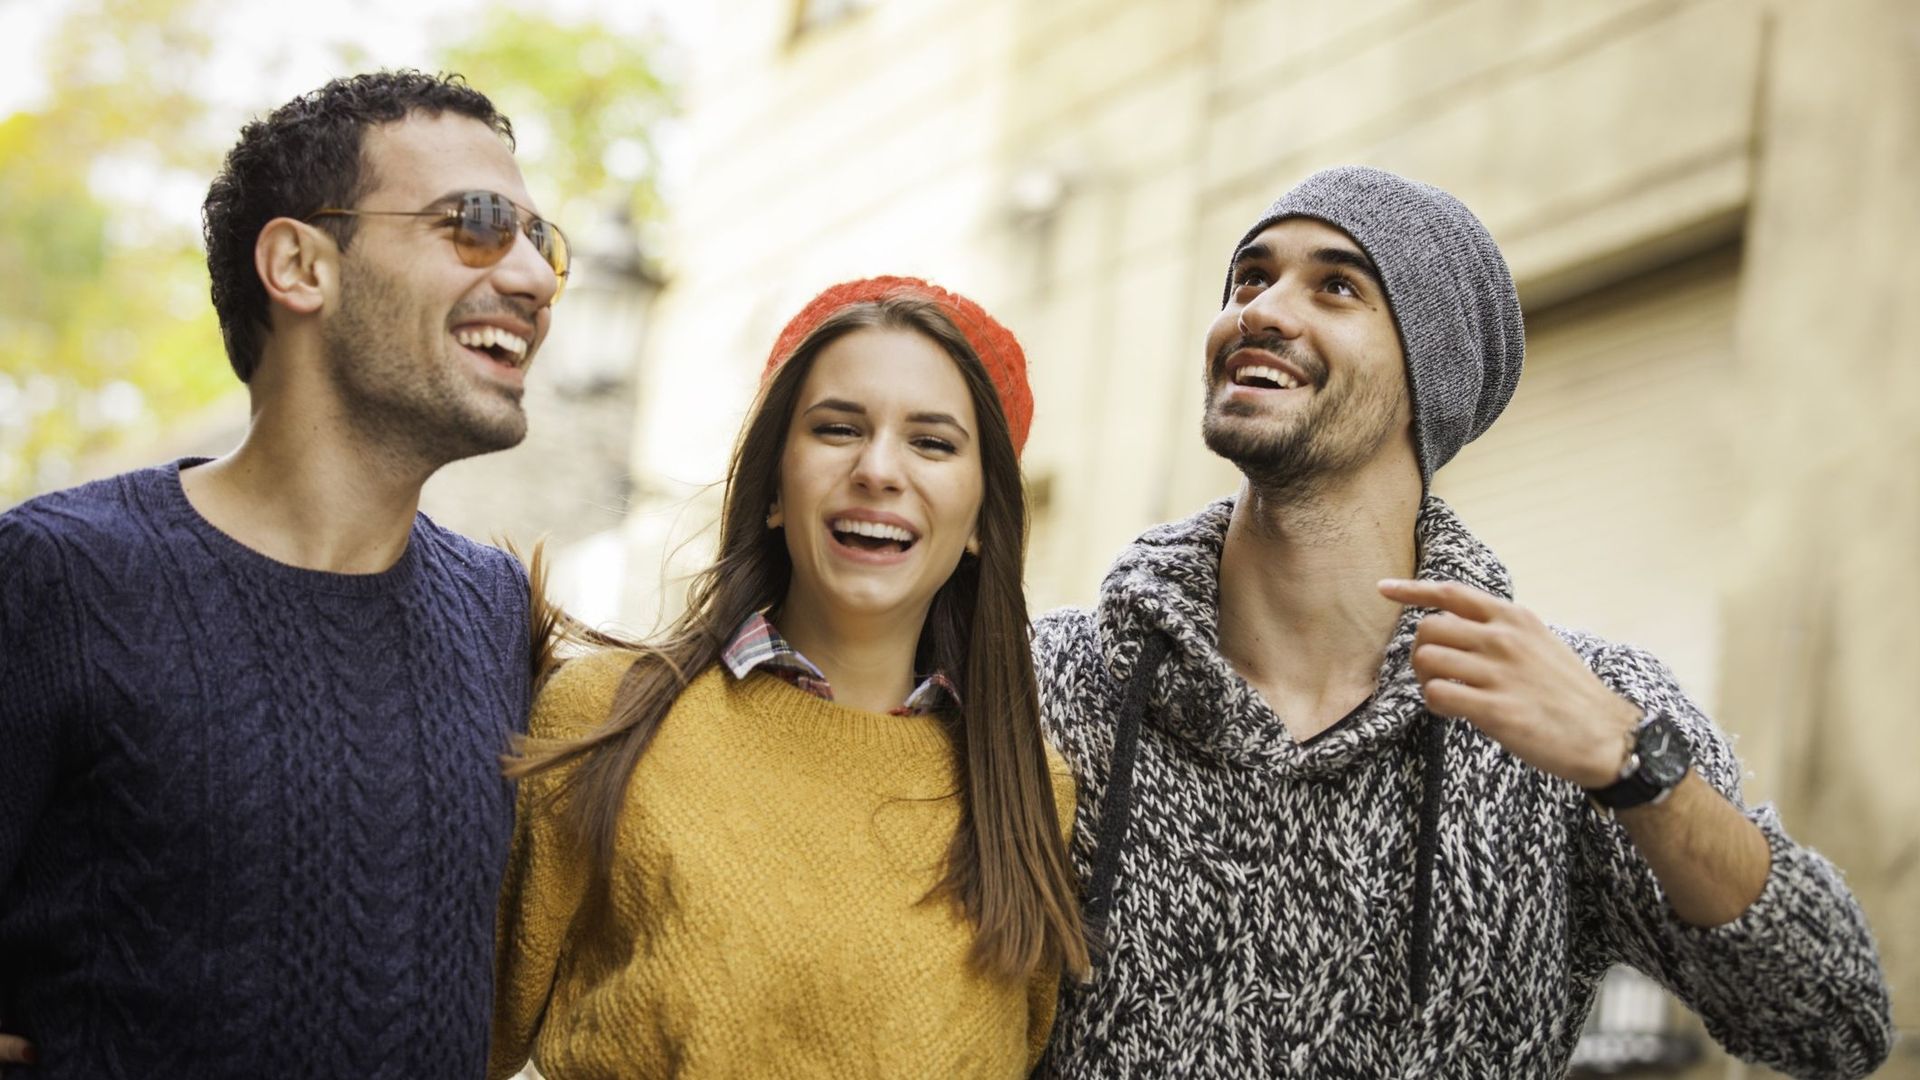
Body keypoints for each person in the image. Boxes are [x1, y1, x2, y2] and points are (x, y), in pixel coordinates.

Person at [1033, 166, 1892, 1077]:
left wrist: (1634, 767)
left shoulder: (1583, 707)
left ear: (1429, 372)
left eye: (1337, 286)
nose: (1262, 310)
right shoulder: (1050, 677)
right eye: (1251, 277)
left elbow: (1835, 1024)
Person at [0, 70, 566, 1077]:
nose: (533, 277)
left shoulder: (496, 615)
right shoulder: (56, 577)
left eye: (541, 240)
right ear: (301, 266)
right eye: (477, 225)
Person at [488, 276, 1086, 1079]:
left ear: (982, 519)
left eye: (933, 443)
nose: (878, 469)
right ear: (773, 487)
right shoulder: (607, 718)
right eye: (838, 429)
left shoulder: (1028, 795)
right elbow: (450, 1035)